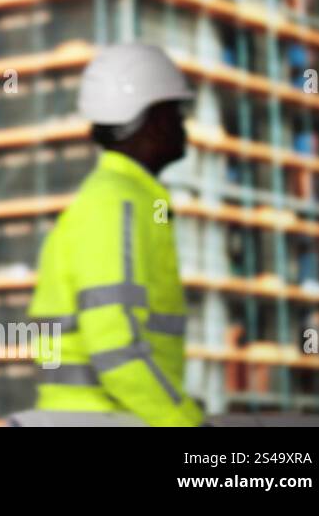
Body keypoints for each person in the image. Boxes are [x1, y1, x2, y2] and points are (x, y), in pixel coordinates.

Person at [25, 42, 204, 427]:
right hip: (103, 418)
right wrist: (184, 420)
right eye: (175, 112)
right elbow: (116, 344)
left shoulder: (120, 198)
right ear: (152, 120)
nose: (181, 125)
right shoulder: (116, 203)